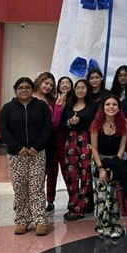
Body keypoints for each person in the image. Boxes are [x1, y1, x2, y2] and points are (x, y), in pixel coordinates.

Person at [0, 77, 53, 236]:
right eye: (20, 87)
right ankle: (22, 220)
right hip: (17, 155)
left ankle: (40, 220)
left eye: (27, 87)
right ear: (16, 90)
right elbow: (4, 130)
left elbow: (47, 127)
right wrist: (17, 147)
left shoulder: (41, 106)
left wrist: (37, 146)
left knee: (36, 187)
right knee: (20, 188)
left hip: (37, 153)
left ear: (32, 89)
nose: (24, 90)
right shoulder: (8, 108)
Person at [90, 96, 127, 238]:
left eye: (114, 104)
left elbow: (122, 147)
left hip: (116, 162)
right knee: (101, 195)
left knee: (113, 195)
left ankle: (114, 225)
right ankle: (101, 224)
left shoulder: (124, 123)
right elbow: (94, 148)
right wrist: (101, 168)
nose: (111, 107)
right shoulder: (96, 123)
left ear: (119, 108)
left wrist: (114, 165)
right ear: (103, 107)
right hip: (99, 161)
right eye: (108, 104)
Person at [60, 79, 95, 221]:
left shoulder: (93, 106)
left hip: (86, 140)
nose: (80, 90)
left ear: (87, 90)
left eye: (83, 88)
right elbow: (61, 124)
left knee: (86, 175)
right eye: (77, 88)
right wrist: (69, 122)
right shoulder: (69, 105)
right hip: (71, 141)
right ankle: (73, 204)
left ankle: (81, 208)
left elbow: (96, 123)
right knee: (71, 174)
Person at [32, 72, 61, 211]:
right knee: (36, 173)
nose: (48, 87)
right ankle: (35, 201)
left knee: (51, 170)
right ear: (39, 82)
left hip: (50, 139)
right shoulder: (29, 97)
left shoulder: (52, 100)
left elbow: (55, 122)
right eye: (46, 83)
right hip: (33, 141)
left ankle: (50, 200)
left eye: (51, 85)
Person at [47, 76, 73, 208]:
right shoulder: (53, 100)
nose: (64, 85)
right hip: (53, 138)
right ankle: (50, 200)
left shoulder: (75, 101)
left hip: (68, 139)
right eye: (62, 83)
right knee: (52, 171)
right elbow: (54, 122)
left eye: (67, 82)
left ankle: (72, 199)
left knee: (68, 171)